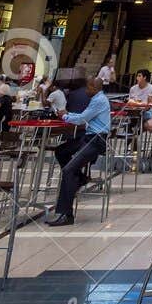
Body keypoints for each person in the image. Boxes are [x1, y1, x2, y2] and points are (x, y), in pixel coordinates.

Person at [44, 79, 111, 226]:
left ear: (94, 87)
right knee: (61, 151)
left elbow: (82, 119)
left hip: (96, 140)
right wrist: (68, 114)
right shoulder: (97, 98)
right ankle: (79, 178)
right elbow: (85, 115)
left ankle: (65, 214)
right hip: (88, 137)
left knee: (68, 171)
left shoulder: (98, 100)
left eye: (88, 87)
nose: (86, 90)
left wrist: (64, 116)